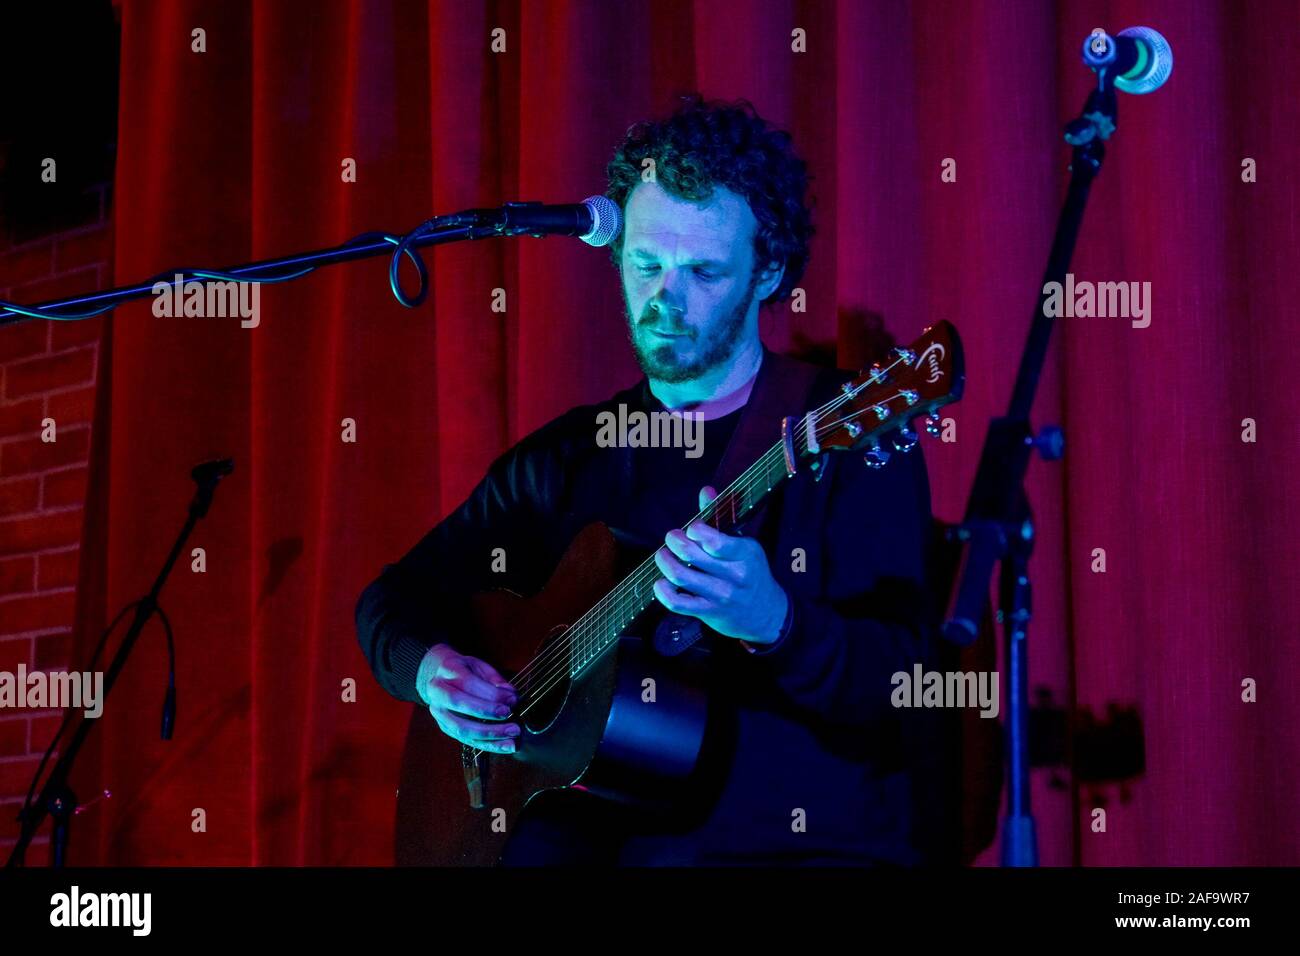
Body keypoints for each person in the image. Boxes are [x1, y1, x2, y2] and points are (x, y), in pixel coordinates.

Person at [355, 95, 947, 865]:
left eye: (703, 271)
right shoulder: (566, 460)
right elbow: (392, 600)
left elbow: (910, 692)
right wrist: (431, 671)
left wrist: (779, 624)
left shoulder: (843, 435)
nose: (665, 299)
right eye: (645, 263)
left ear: (767, 271)